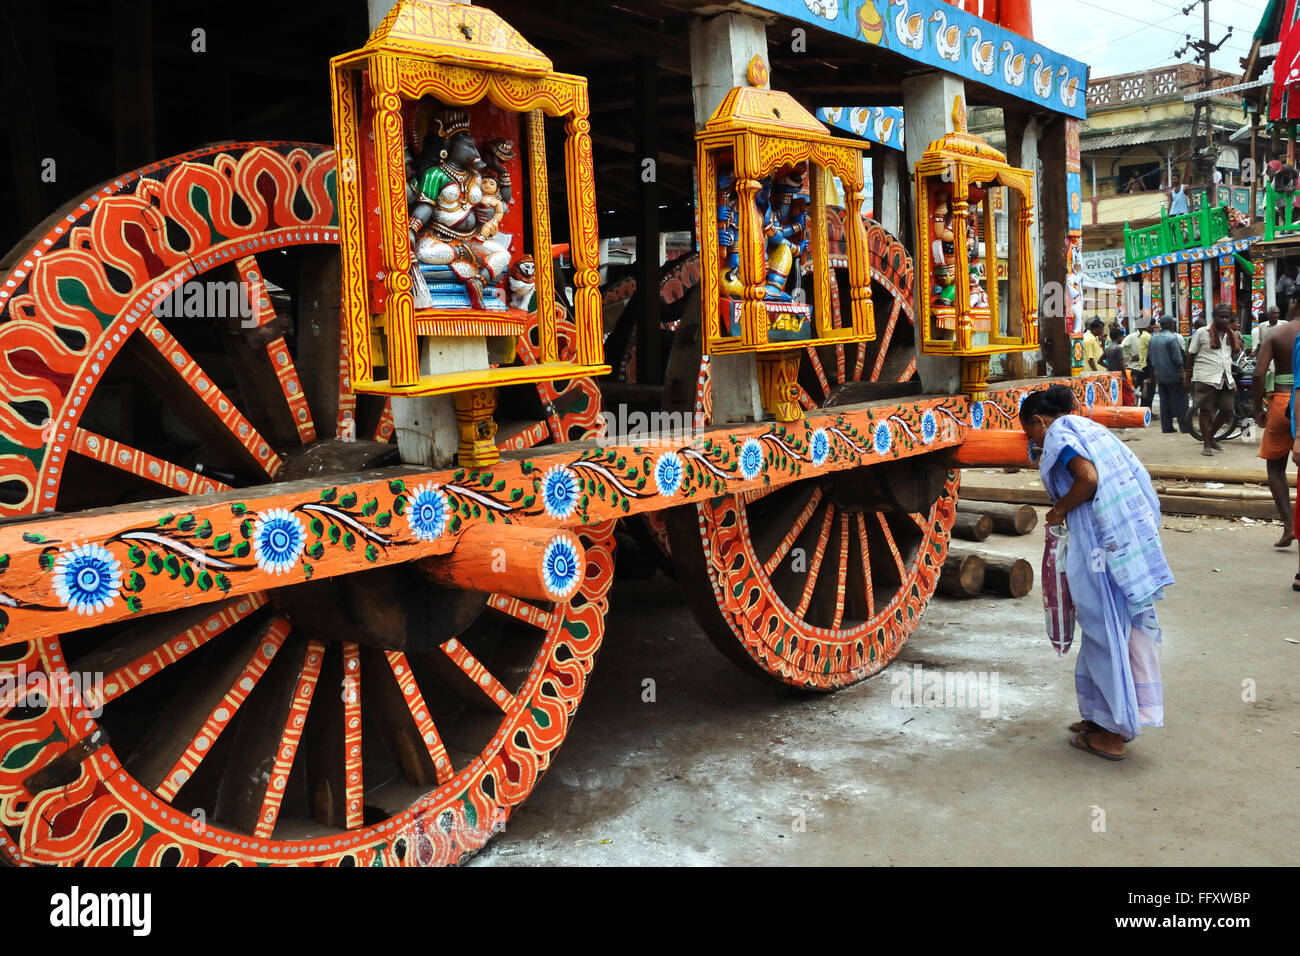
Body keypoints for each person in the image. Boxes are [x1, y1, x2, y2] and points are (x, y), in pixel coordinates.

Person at [1020, 385, 1173, 760]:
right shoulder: (1088, 428)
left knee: (1104, 627)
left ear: (1039, 421)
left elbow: (1087, 479)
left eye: (1031, 434)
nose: (1036, 443)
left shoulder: (1059, 435)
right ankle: (1100, 715)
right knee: (1107, 626)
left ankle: (1114, 734)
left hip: (1099, 545)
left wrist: (1058, 511)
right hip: (1121, 538)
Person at [1252, 301, 1300, 548]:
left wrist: (1257, 407)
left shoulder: (1278, 333)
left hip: (1283, 401)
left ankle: (1289, 525)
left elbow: (1259, 373)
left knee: (1276, 468)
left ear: (1294, 304)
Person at [1186, 304, 1241, 456]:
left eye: (1227, 317)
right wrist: (1187, 375)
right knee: (1206, 411)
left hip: (1225, 378)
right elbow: (1191, 354)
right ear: (1214, 317)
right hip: (1205, 377)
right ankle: (1207, 445)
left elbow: (1232, 355)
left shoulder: (1231, 334)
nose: (1224, 319)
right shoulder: (1201, 333)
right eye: (1221, 316)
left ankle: (1210, 437)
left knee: (1227, 409)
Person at [1148, 315, 1188, 433]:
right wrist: (1184, 374)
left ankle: (1166, 427)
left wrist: (1152, 374)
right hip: (1174, 375)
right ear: (1171, 324)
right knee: (1180, 401)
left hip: (1160, 375)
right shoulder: (1172, 338)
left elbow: (1148, 359)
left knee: (1164, 401)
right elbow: (1178, 359)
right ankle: (1185, 426)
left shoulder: (1153, 339)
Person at [1122, 318, 1153, 408]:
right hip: (1135, 368)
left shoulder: (1149, 336)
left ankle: (1147, 411)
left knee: (1148, 392)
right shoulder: (1131, 337)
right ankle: (1134, 411)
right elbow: (1122, 347)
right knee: (1133, 391)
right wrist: (1129, 358)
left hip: (1146, 368)